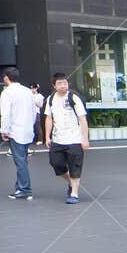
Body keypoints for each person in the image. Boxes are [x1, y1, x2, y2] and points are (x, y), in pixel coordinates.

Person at [43, 73, 89, 204]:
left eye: (65, 82)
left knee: (75, 166)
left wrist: (85, 139)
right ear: (54, 86)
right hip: (58, 139)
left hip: (75, 139)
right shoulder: (51, 99)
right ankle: (70, 182)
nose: (63, 85)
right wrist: (47, 136)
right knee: (56, 163)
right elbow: (48, 118)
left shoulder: (73, 97)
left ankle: (74, 193)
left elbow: (82, 118)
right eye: (60, 83)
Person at [0, 68, 38, 199]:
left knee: (20, 161)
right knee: (23, 160)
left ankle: (24, 189)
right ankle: (21, 187)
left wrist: (4, 131)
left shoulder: (7, 93)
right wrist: (30, 126)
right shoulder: (27, 91)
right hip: (27, 130)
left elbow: (5, 114)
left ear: (6, 78)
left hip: (15, 131)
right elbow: (34, 111)